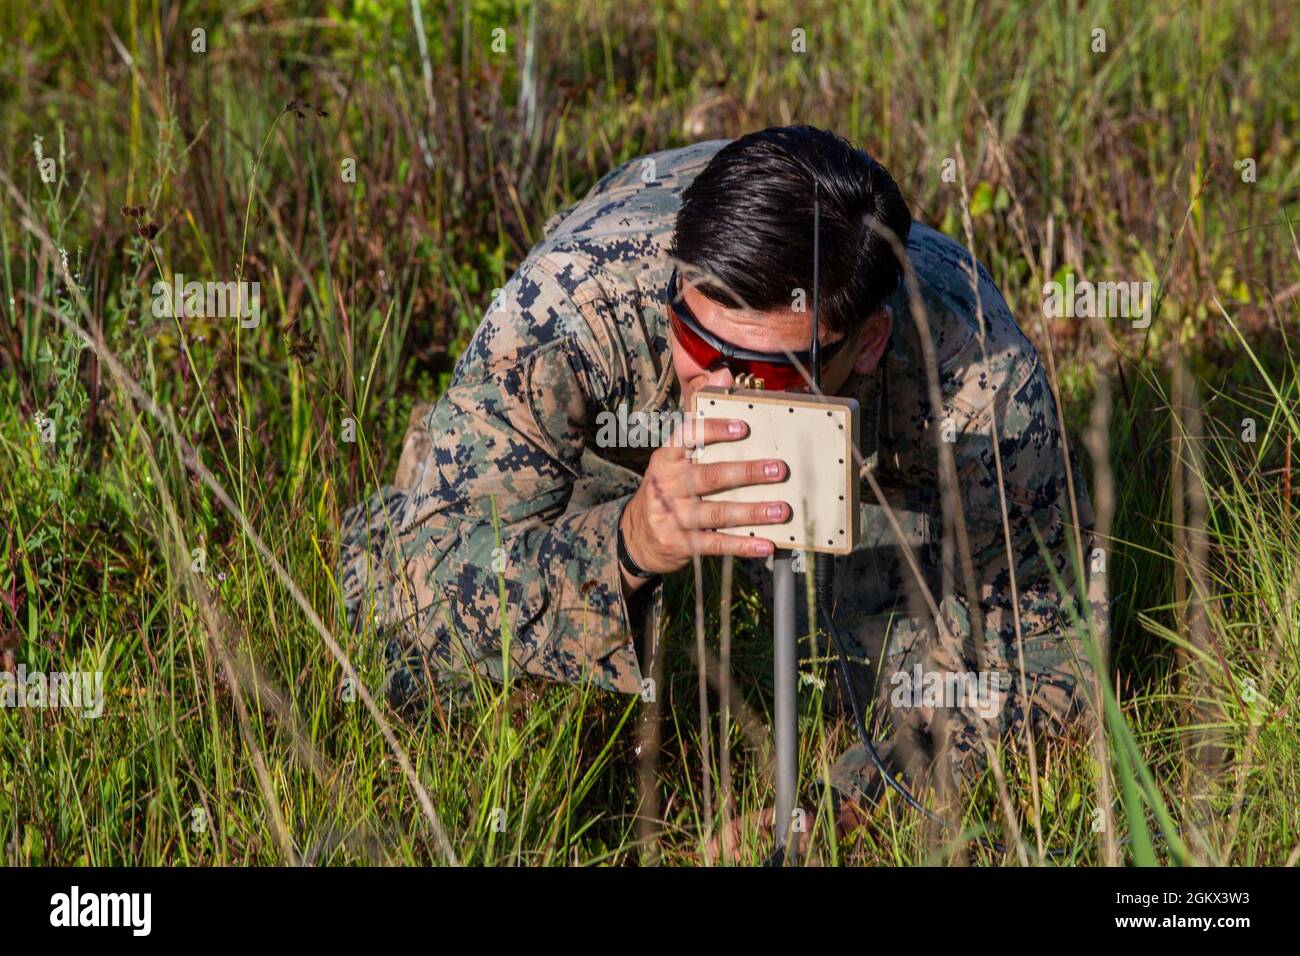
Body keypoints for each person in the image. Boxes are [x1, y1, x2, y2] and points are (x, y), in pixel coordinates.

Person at [338, 125, 1102, 817]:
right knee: (429, 672)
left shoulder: (974, 373)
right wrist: (626, 545)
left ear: (865, 345)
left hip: (874, 472)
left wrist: (847, 808)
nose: (720, 392)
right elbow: (426, 569)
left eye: (765, 369)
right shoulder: (567, 309)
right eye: (698, 346)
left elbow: (1050, 652)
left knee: (879, 675)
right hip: (613, 442)